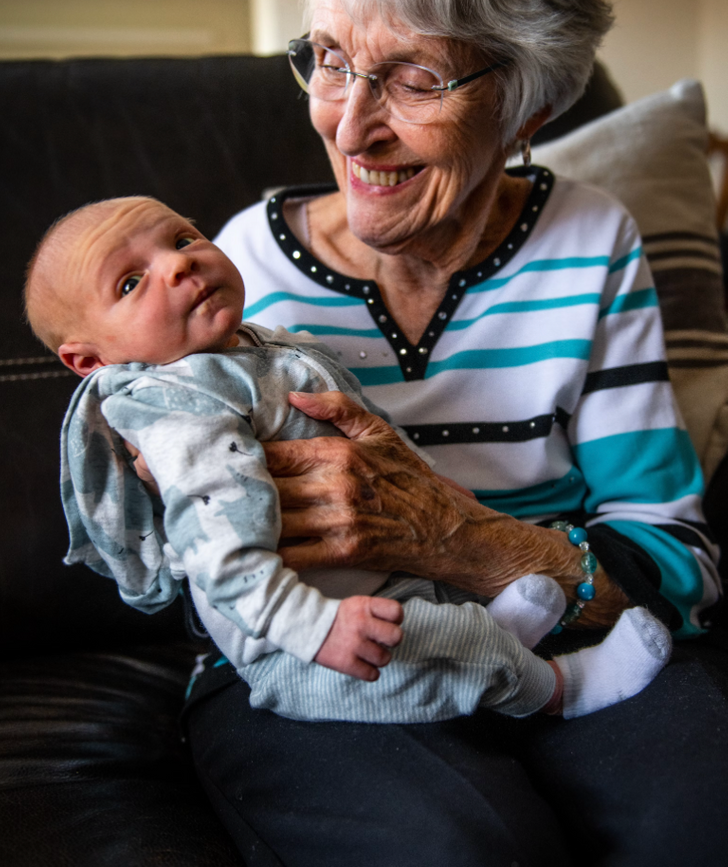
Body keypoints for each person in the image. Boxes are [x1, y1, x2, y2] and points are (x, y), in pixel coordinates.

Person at [181, 0, 727, 867]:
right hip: (329, 647)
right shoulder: (234, 270)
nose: (349, 126)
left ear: (530, 102)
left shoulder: (590, 239)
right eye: (331, 59)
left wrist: (461, 540)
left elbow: (676, 561)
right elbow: (197, 546)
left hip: (567, 631)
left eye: (412, 77)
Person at [25, 194, 670, 726]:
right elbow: (219, 548)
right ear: (90, 361)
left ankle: (497, 637)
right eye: (132, 282)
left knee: (441, 629)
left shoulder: (258, 348)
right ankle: (554, 689)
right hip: (304, 650)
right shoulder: (177, 409)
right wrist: (314, 628)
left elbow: (371, 436)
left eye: (184, 237)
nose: (179, 266)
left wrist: (445, 498)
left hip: (383, 587)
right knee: (427, 661)